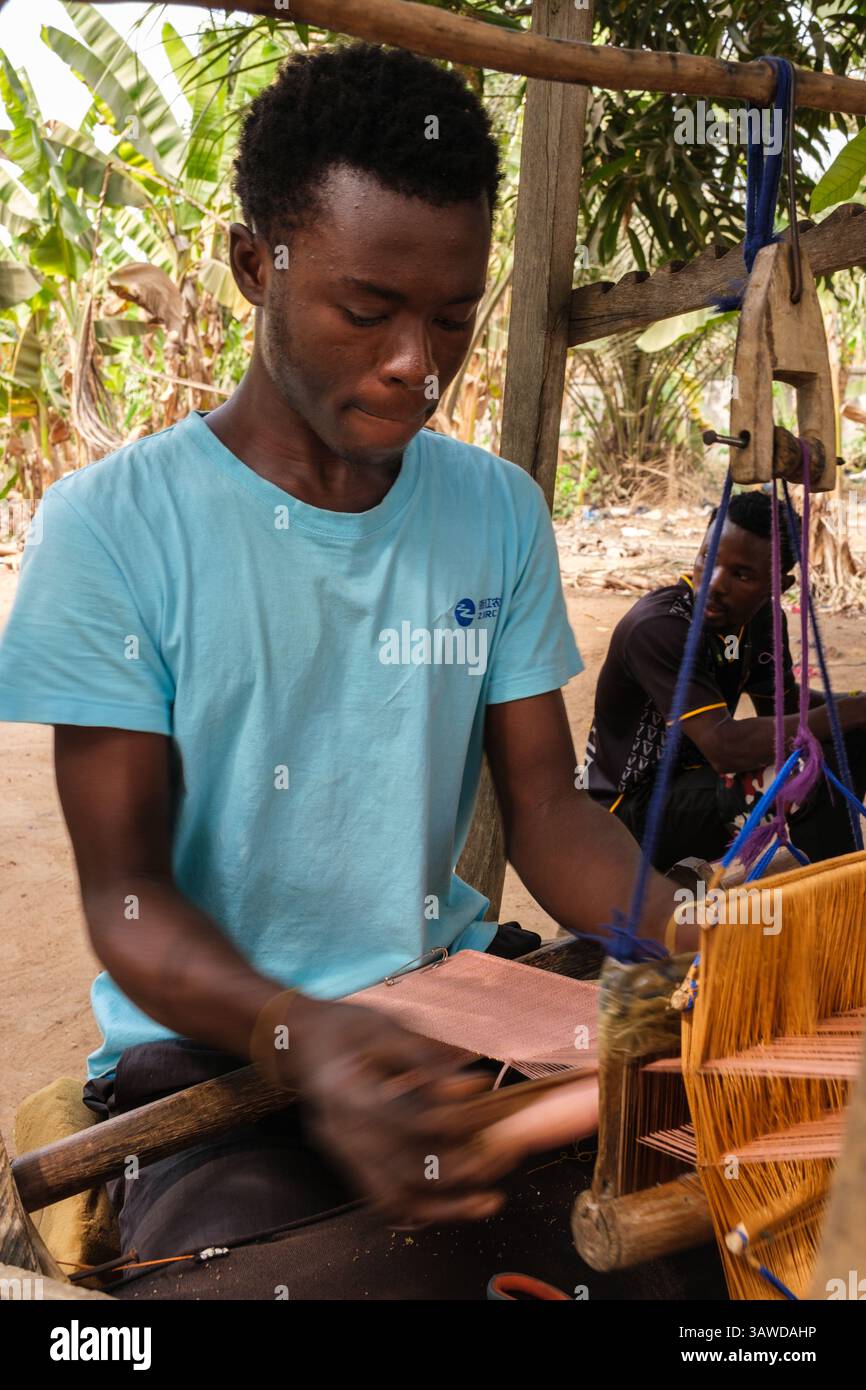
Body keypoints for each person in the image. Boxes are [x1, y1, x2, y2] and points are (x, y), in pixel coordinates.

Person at [0, 43, 683, 1276]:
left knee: (716, 1191)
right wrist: (297, 1033)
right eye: (369, 310)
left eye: (452, 316)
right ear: (254, 265)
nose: (418, 362)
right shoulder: (114, 529)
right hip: (215, 1047)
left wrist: (691, 933)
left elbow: (543, 807)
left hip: (455, 1004)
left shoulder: (496, 511)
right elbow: (128, 901)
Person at [585, 490, 866, 870]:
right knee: (809, 775)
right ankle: (844, 904)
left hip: (696, 787)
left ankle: (838, 885)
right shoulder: (661, 626)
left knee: (852, 740)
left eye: (741, 574)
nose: (715, 583)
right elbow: (725, 747)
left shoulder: (764, 620)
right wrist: (852, 710)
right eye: (708, 558)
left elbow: (783, 707)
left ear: (777, 586)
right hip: (628, 810)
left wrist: (855, 708)